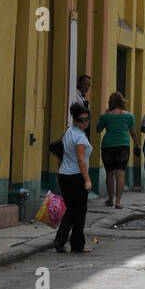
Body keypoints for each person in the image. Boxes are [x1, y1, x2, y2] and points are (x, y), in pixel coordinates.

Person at [54, 102, 93, 253]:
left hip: (65, 175)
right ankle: (77, 245)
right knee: (80, 212)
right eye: (82, 120)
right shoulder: (80, 138)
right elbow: (81, 160)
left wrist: (59, 171)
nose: (85, 123)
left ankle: (60, 240)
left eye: (87, 119)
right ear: (76, 120)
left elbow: (60, 153)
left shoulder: (68, 132)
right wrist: (88, 179)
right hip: (77, 177)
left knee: (70, 210)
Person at [97, 92, 142, 208]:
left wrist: (104, 116)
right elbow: (133, 133)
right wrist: (137, 145)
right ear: (122, 102)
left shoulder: (106, 116)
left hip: (108, 146)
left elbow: (98, 129)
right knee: (121, 174)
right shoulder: (129, 116)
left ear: (110, 103)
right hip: (123, 146)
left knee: (110, 174)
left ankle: (110, 199)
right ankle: (118, 202)